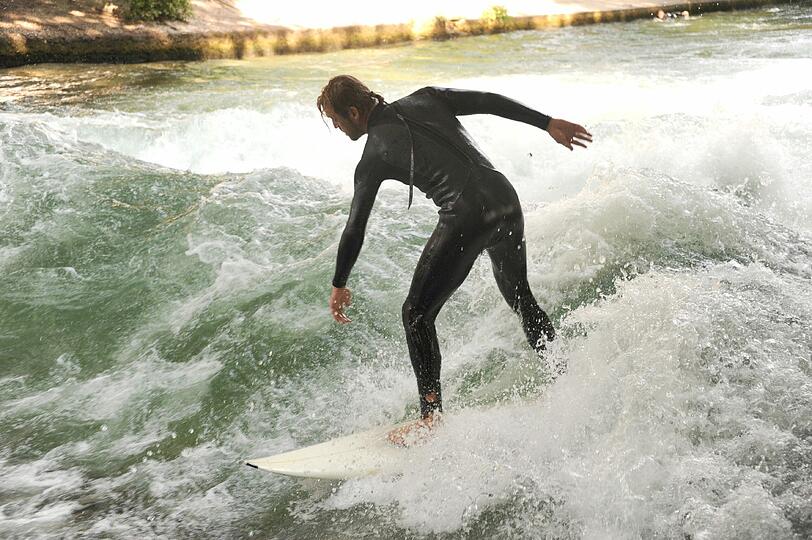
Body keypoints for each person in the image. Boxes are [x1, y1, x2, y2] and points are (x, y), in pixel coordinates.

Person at [318, 75, 591, 445]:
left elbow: (355, 227)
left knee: (415, 314)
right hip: (504, 197)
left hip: (467, 214)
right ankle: (565, 374)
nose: (337, 127)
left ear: (353, 111)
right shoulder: (427, 97)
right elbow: (490, 99)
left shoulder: (373, 157)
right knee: (520, 297)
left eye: (336, 119)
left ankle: (430, 420)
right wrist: (547, 123)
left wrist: (339, 283)